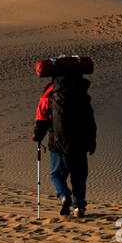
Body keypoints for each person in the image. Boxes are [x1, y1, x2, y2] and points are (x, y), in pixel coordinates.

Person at [32, 69, 96, 216]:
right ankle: (79, 206)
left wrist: (37, 135)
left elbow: (42, 116)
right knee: (79, 175)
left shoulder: (50, 92)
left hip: (57, 141)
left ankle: (63, 195)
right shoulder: (80, 90)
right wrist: (92, 141)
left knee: (57, 174)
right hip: (80, 142)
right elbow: (89, 119)